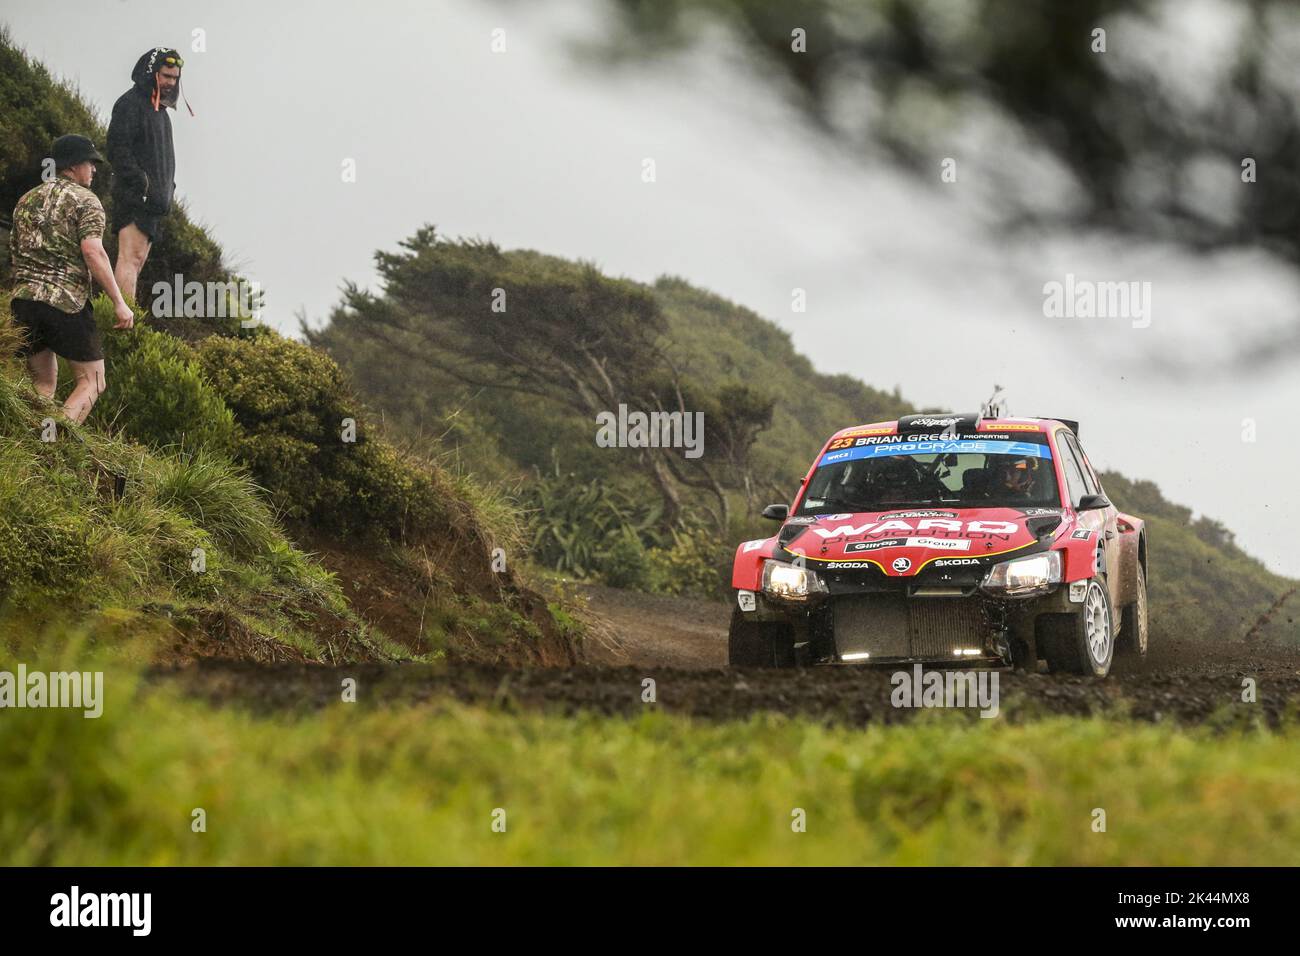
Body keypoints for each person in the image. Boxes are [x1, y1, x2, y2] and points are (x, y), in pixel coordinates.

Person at [8, 135, 135, 424]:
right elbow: (93, 251)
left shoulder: (27, 199)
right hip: (66, 303)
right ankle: (52, 445)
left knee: (42, 384)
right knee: (92, 381)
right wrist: (119, 302)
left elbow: (14, 251)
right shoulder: (86, 201)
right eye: (91, 163)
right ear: (74, 165)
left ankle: (33, 445)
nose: (94, 169)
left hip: (24, 302)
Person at [106, 47, 189, 302]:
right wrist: (141, 184)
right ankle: (120, 329)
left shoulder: (161, 113)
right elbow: (117, 149)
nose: (170, 83)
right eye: (166, 76)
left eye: (174, 78)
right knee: (129, 260)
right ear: (151, 72)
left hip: (153, 204)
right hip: (134, 200)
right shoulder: (130, 104)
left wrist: (167, 190)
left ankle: (124, 323)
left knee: (137, 262)